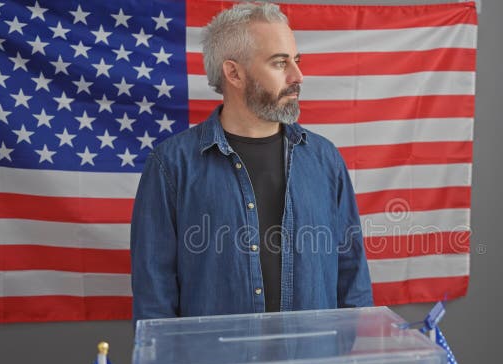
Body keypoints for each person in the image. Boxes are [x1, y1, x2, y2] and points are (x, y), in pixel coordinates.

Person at [130, 2, 373, 322]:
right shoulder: (171, 165)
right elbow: (154, 295)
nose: (298, 76)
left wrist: (357, 355)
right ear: (233, 73)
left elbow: (352, 278)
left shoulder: (325, 159)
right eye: (279, 63)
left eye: (296, 61)